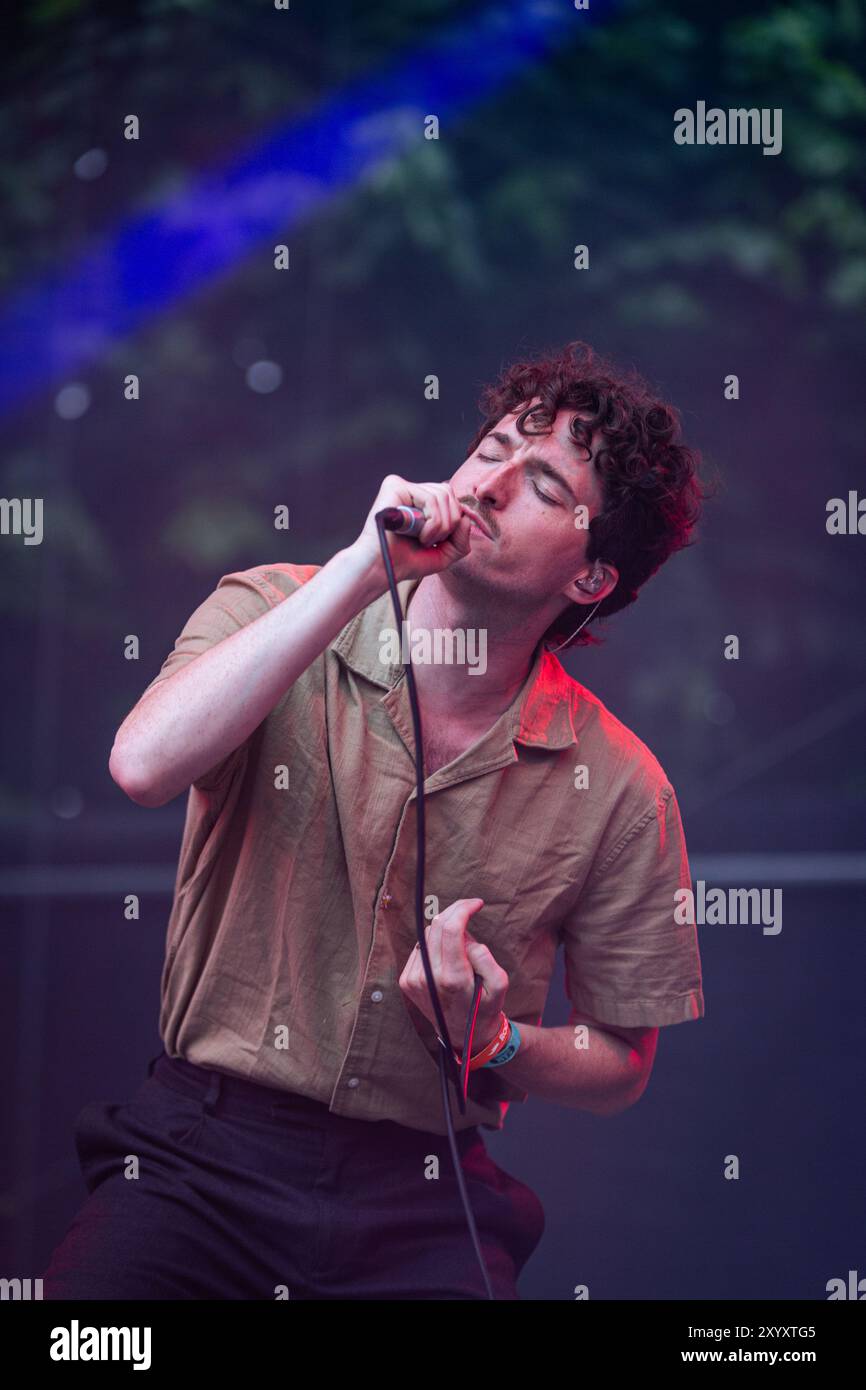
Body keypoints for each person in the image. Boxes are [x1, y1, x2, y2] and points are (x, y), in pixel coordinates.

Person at [43, 339, 708, 1301]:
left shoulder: (621, 787)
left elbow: (622, 1064)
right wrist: (361, 571)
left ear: (592, 578)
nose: (489, 484)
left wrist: (500, 1040)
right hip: (200, 1157)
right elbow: (142, 766)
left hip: (423, 1193)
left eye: (547, 485)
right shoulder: (274, 607)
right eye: (491, 450)